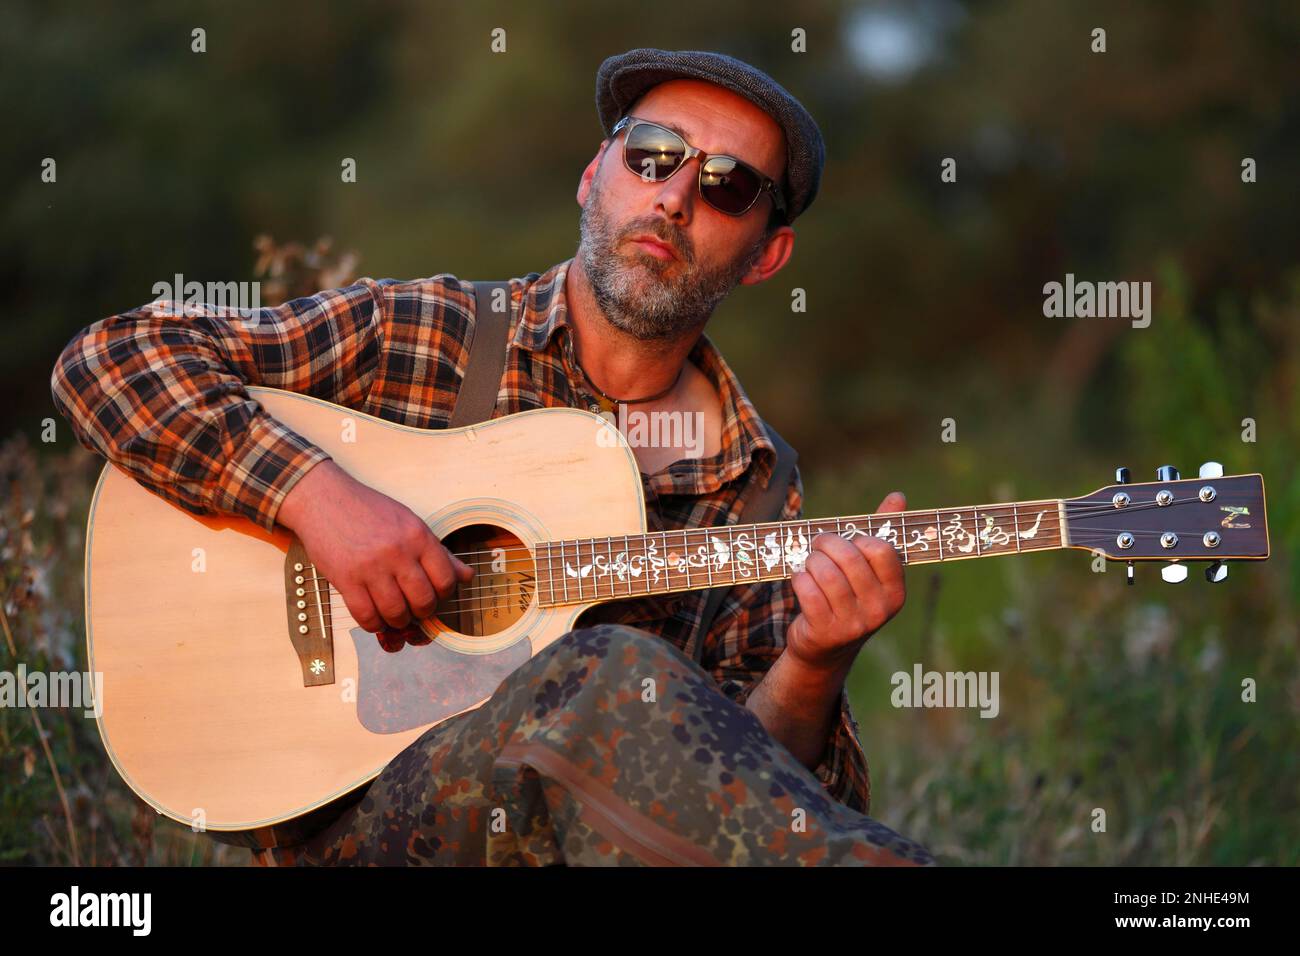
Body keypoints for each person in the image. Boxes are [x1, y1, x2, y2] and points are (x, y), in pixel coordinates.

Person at [51, 48, 932, 866]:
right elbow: (110, 362)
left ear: (768, 254)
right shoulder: (430, 334)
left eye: (729, 186)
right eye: (654, 154)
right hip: (362, 827)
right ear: (596, 174)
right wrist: (319, 501)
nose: (673, 197)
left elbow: (756, 799)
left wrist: (814, 665)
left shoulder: (758, 487)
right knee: (609, 669)